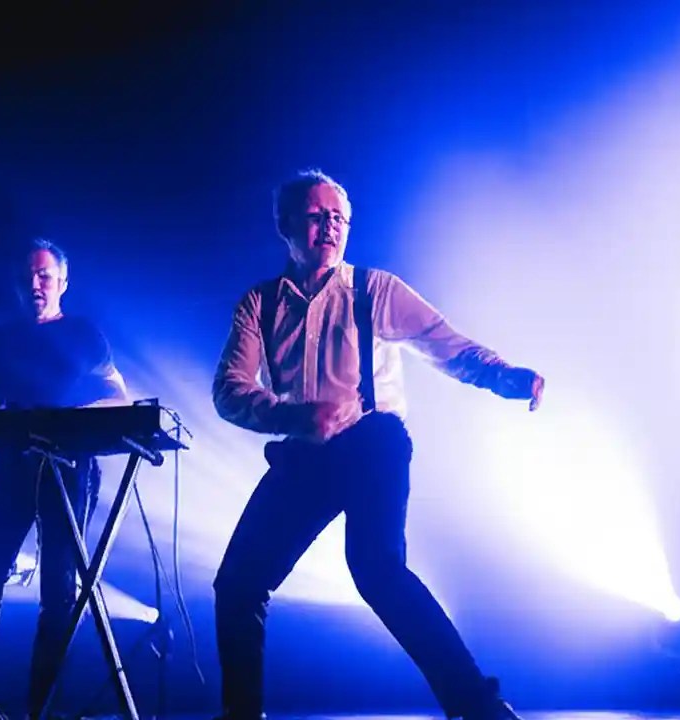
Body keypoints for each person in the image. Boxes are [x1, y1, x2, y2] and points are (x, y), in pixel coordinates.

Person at [211, 169, 544, 720]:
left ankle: (479, 707)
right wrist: (295, 416)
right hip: (303, 454)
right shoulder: (260, 304)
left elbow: (446, 345)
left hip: (373, 446)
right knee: (239, 585)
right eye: (317, 217)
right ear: (285, 224)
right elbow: (229, 390)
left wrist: (506, 377)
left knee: (379, 569)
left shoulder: (375, 290)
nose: (330, 228)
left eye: (339, 219)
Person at [0, 238, 130, 719]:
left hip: (69, 469)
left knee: (58, 592)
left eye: (45, 275)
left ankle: (40, 709)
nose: (35, 283)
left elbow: (118, 395)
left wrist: (78, 418)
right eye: (28, 276)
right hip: (13, 468)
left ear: (63, 282)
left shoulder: (85, 334)